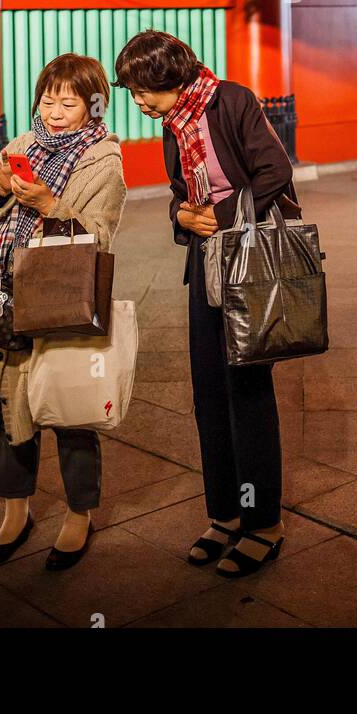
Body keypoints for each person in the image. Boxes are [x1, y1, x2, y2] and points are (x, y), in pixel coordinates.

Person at [115, 29, 300, 578]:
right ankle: (224, 514)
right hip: (207, 266)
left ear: (169, 77)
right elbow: (180, 190)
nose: (138, 102)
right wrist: (180, 215)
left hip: (250, 262)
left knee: (247, 389)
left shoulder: (233, 101)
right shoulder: (175, 124)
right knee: (208, 391)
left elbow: (275, 173)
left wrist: (216, 218)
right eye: (130, 93)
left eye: (141, 90)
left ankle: (264, 522)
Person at [0, 53, 126, 571]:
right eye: (48, 99)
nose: (54, 111)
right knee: (10, 409)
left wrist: (52, 205)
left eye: (68, 101)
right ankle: (15, 512)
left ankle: (80, 515)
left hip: (59, 297)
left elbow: (99, 235)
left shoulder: (103, 160)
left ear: (92, 104)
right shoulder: (24, 145)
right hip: (2, 294)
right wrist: (3, 187)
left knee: (68, 410)